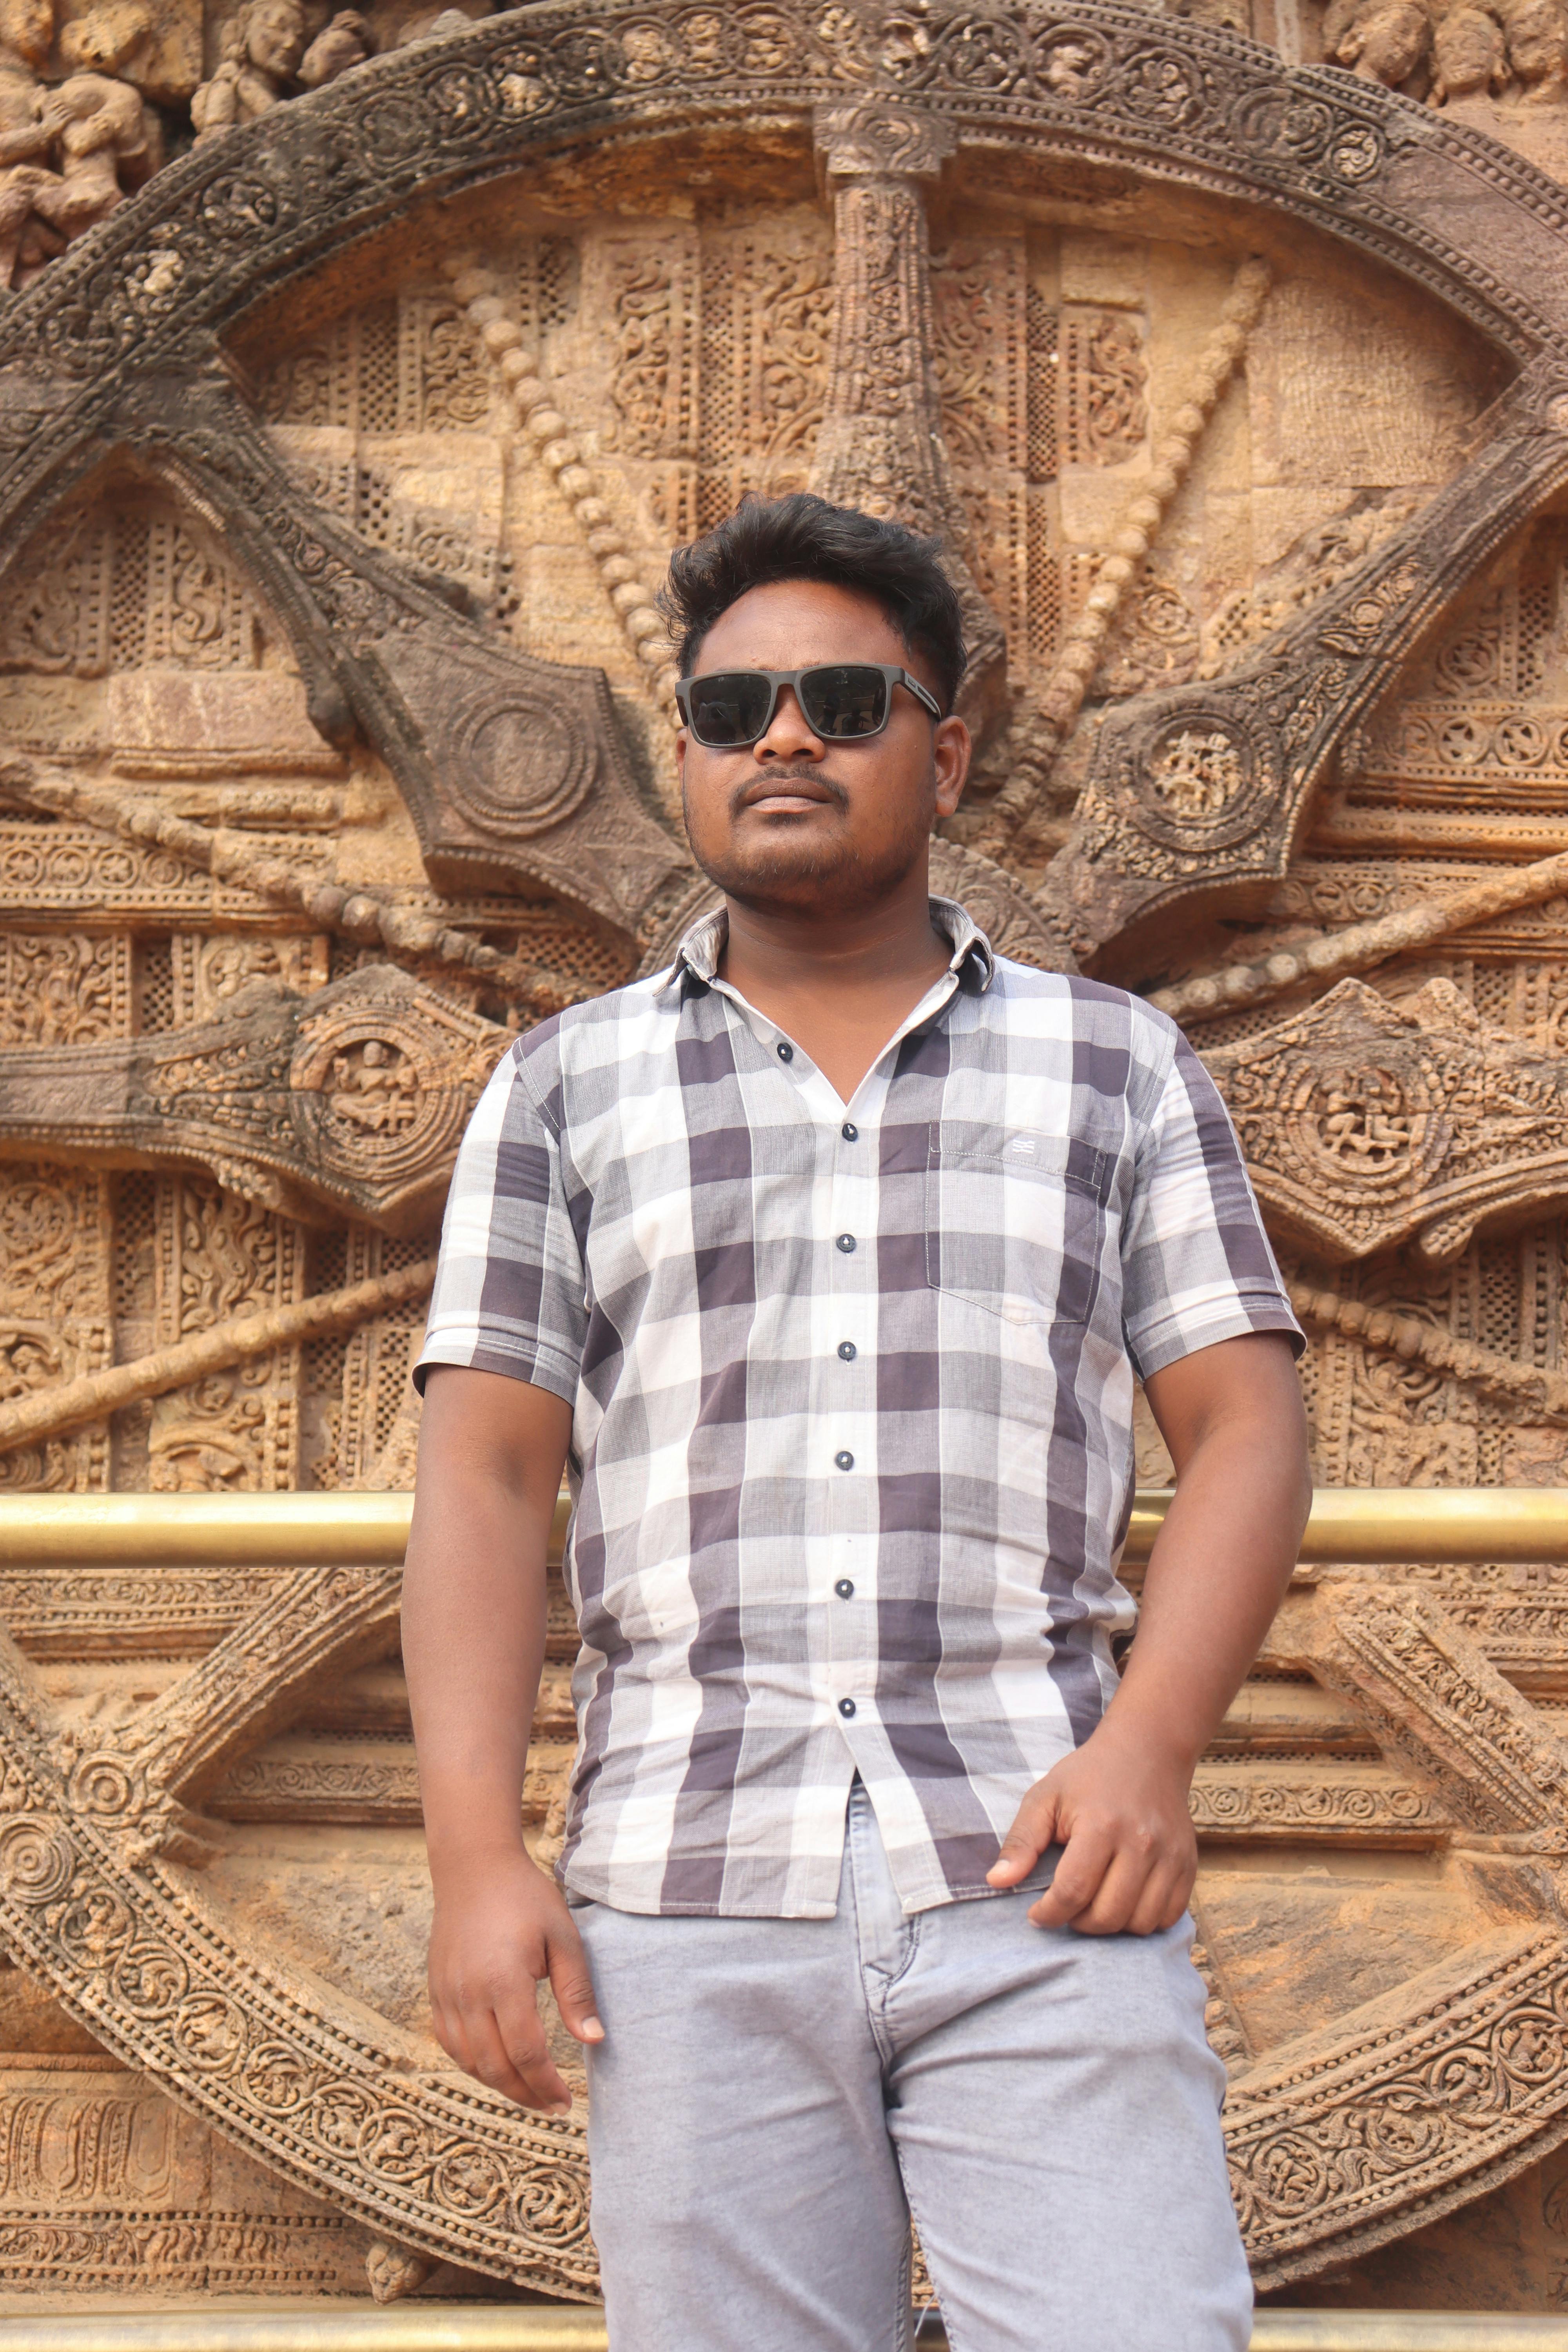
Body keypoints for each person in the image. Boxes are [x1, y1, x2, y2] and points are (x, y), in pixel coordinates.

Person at [403, 492, 1313, 2352]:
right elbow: (487, 1484)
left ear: (946, 749)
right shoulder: (562, 1090)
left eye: (841, 699)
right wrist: (474, 1860)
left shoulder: (1111, 1064)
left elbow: (1247, 1427)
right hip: (683, 1890)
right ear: (686, 759)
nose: (786, 739)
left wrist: (1148, 1750)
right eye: (733, 714)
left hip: (1036, 1870)